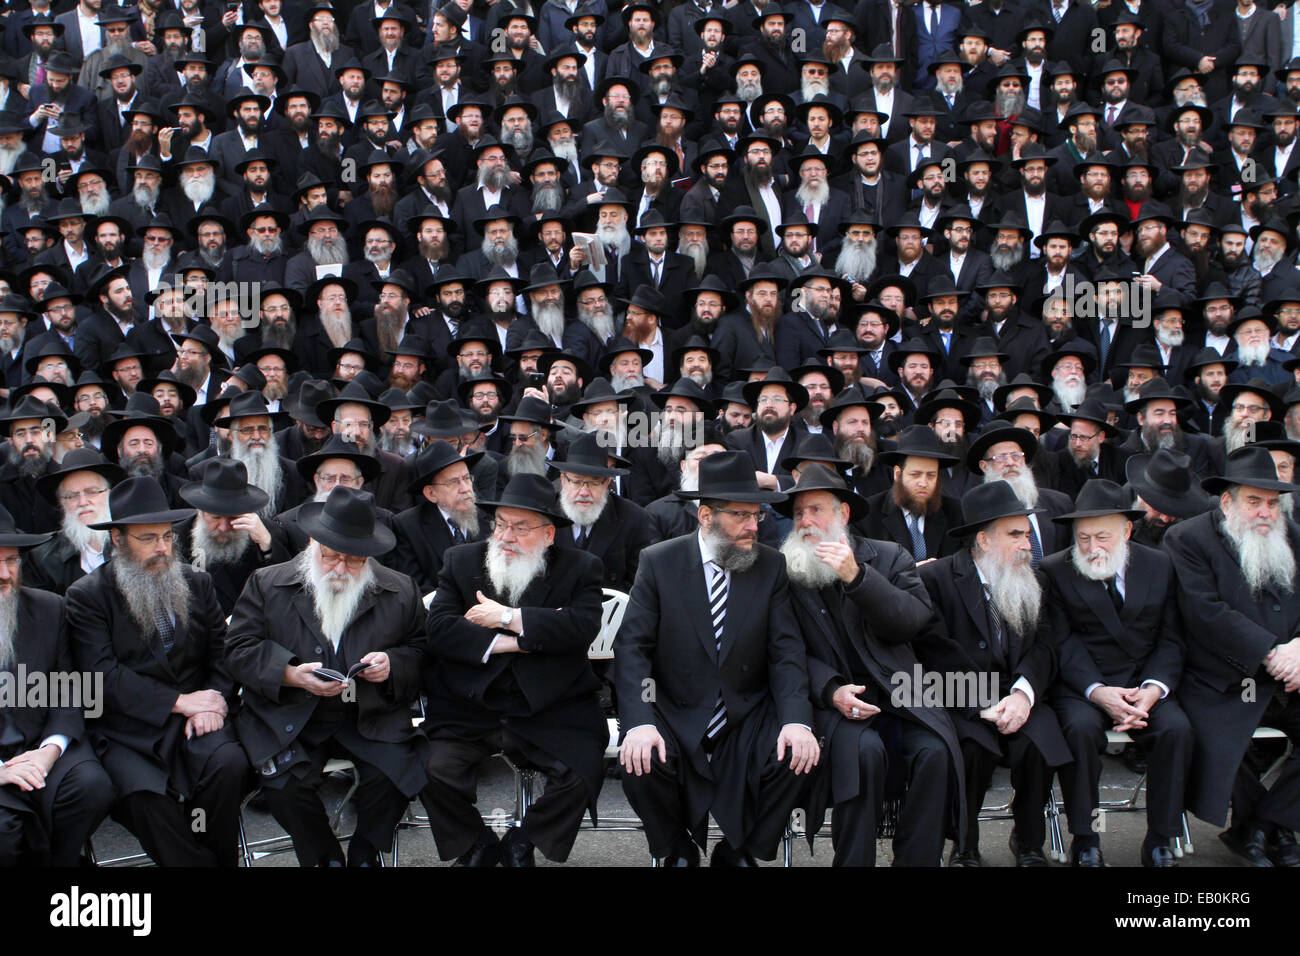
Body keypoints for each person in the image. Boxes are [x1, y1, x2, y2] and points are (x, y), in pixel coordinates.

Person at [615, 450, 820, 866]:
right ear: (706, 515)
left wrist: (798, 720)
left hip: (745, 709)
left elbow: (786, 652)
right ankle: (675, 847)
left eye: (757, 515)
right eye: (741, 515)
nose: (752, 526)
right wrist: (638, 721)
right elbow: (632, 648)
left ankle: (740, 849)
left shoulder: (770, 565)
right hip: (675, 705)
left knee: (799, 755)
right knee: (640, 759)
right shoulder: (659, 562)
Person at [225, 487, 428, 867]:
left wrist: (391, 664)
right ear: (313, 542)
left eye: (353, 561)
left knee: (396, 773)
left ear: (369, 556)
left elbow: (421, 654)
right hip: (292, 716)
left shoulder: (400, 589)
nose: (338, 569)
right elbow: (237, 650)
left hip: (369, 715)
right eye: (330, 555)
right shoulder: (267, 583)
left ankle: (366, 852)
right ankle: (324, 857)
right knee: (284, 786)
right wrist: (289, 674)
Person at [778, 464, 963, 867]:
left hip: (899, 696)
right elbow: (783, 652)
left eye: (815, 510)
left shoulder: (889, 556)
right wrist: (830, 690)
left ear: (843, 514)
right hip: (831, 703)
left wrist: (857, 577)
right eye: (798, 513)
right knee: (865, 754)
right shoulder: (786, 570)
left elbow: (913, 620)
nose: (805, 521)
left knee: (935, 752)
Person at [422, 473, 607, 867]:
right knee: (429, 767)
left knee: (581, 771)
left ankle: (523, 841)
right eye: (501, 523)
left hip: (551, 706)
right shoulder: (462, 561)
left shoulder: (581, 567)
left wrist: (506, 617)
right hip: (469, 706)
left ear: (548, 535)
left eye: (521, 527)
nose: (506, 535)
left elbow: (581, 628)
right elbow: (438, 631)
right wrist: (526, 636)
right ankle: (476, 842)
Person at [66, 476, 249, 867]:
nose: (162, 548)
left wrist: (212, 703)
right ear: (117, 539)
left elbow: (223, 652)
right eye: (147, 538)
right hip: (126, 731)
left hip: (197, 720)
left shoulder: (197, 583)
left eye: (167, 536)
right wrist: (180, 703)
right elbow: (101, 676)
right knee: (142, 799)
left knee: (228, 765)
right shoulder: (87, 597)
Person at [914, 480, 1071, 866]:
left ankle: (1030, 842)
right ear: (983, 540)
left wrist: (1023, 695)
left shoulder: (1034, 578)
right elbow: (933, 650)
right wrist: (983, 702)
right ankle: (964, 846)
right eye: (1015, 534)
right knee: (971, 749)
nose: (1028, 544)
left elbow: (1047, 644)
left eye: (1027, 533)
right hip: (963, 696)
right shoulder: (938, 580)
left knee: (1037, 744)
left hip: (1019, 693)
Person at [1041, 479, 1193, 868]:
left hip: (1145, 685)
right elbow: (1062, 642)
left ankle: (1161, 836)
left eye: (1103, 537)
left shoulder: (1159, 565)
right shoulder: (1056, 570)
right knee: (1080, 731)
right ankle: (1088, 837)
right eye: (1084, 537)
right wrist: (1098, 691)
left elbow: (1172, 636)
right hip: (1083, 686)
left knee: (1176, 730)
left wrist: (1153, 690)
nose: (1093, 548)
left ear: (1126, 530)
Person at [1165, 445, 1300, 867]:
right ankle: (1266, 830)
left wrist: (1299, 648)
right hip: (1229, 678)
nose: (1265, 512)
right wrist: (1271, 652)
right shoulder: (1187, 538)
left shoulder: (1294, 534)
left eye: (1272, 503)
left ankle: (1261, 826)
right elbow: (1206, 613)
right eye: (1254, 501)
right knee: (1228, 733)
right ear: (1227, 502)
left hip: (1292, 675)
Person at [0, 502, 115, 866]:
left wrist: (50, 750)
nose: (5, 574)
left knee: (91, 786)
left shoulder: (48, 608)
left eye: (12, 561)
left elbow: (71, 688)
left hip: (40, 742)